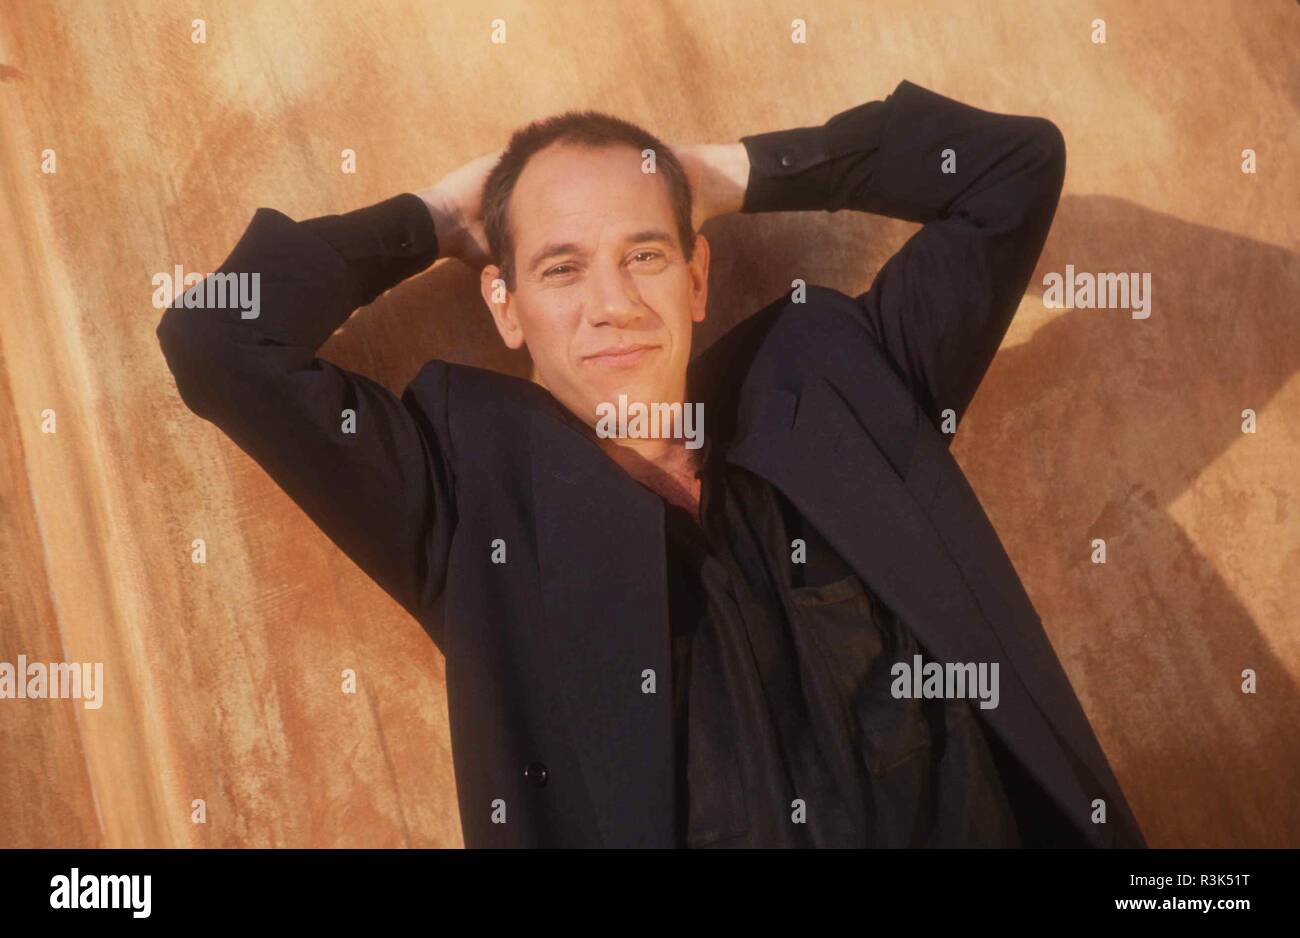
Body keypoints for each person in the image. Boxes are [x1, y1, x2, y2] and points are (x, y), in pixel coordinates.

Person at [157, 78, 1147, 848]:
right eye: (560, 266)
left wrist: (721, 174)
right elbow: (217, 342)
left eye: (644, 253)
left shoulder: (837, 381)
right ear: (503, 306)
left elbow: (1009, 169)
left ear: (697, 273)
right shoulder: (469, 496)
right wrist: (434, 216)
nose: (613, 303)